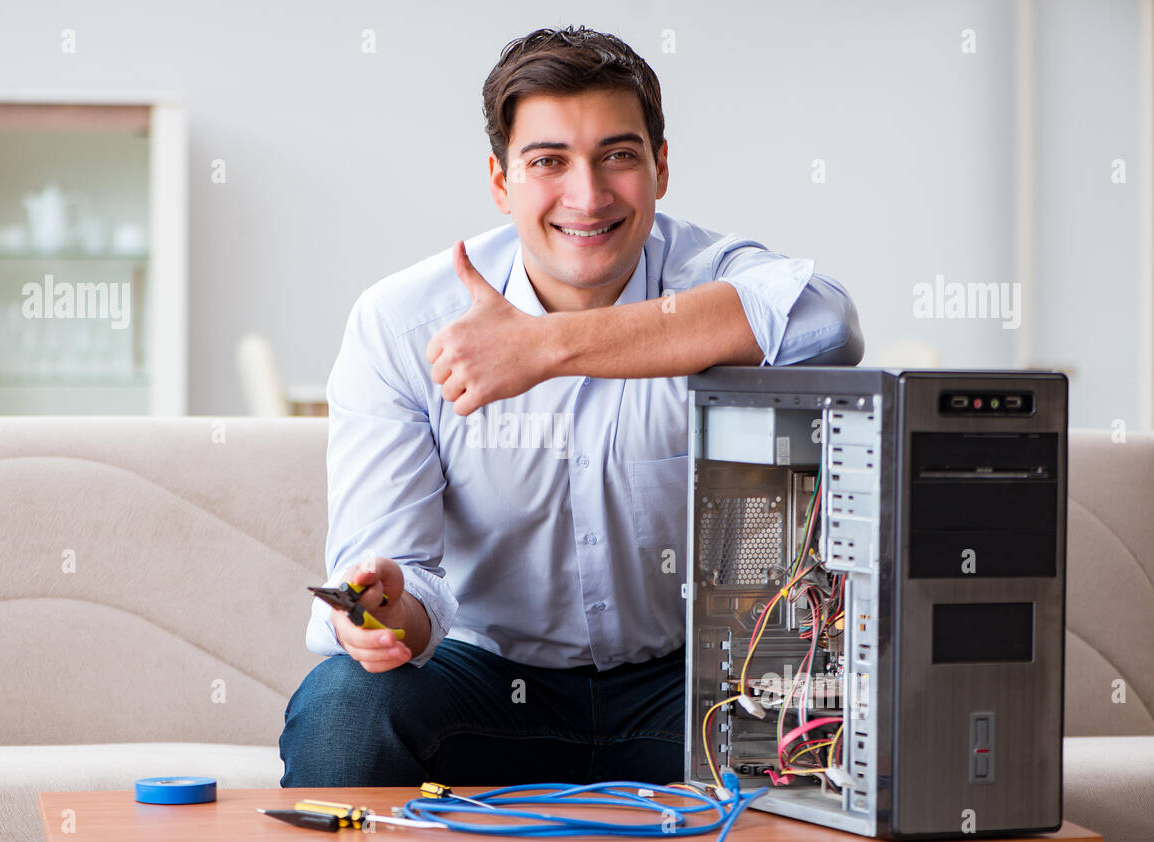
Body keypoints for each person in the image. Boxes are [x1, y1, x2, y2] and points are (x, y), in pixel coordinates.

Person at [279, 25, 863, 787]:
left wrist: (548, 344)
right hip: (486, 686)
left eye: (618, 156)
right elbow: (410, 589)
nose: (587, 196)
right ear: (500, 181)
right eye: (548, 161)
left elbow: (828, 326)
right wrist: (386, 618)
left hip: (689, 692)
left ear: (659, 165)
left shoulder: (708, 275)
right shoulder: (402, 324)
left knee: (844, 728)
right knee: (344, 710)